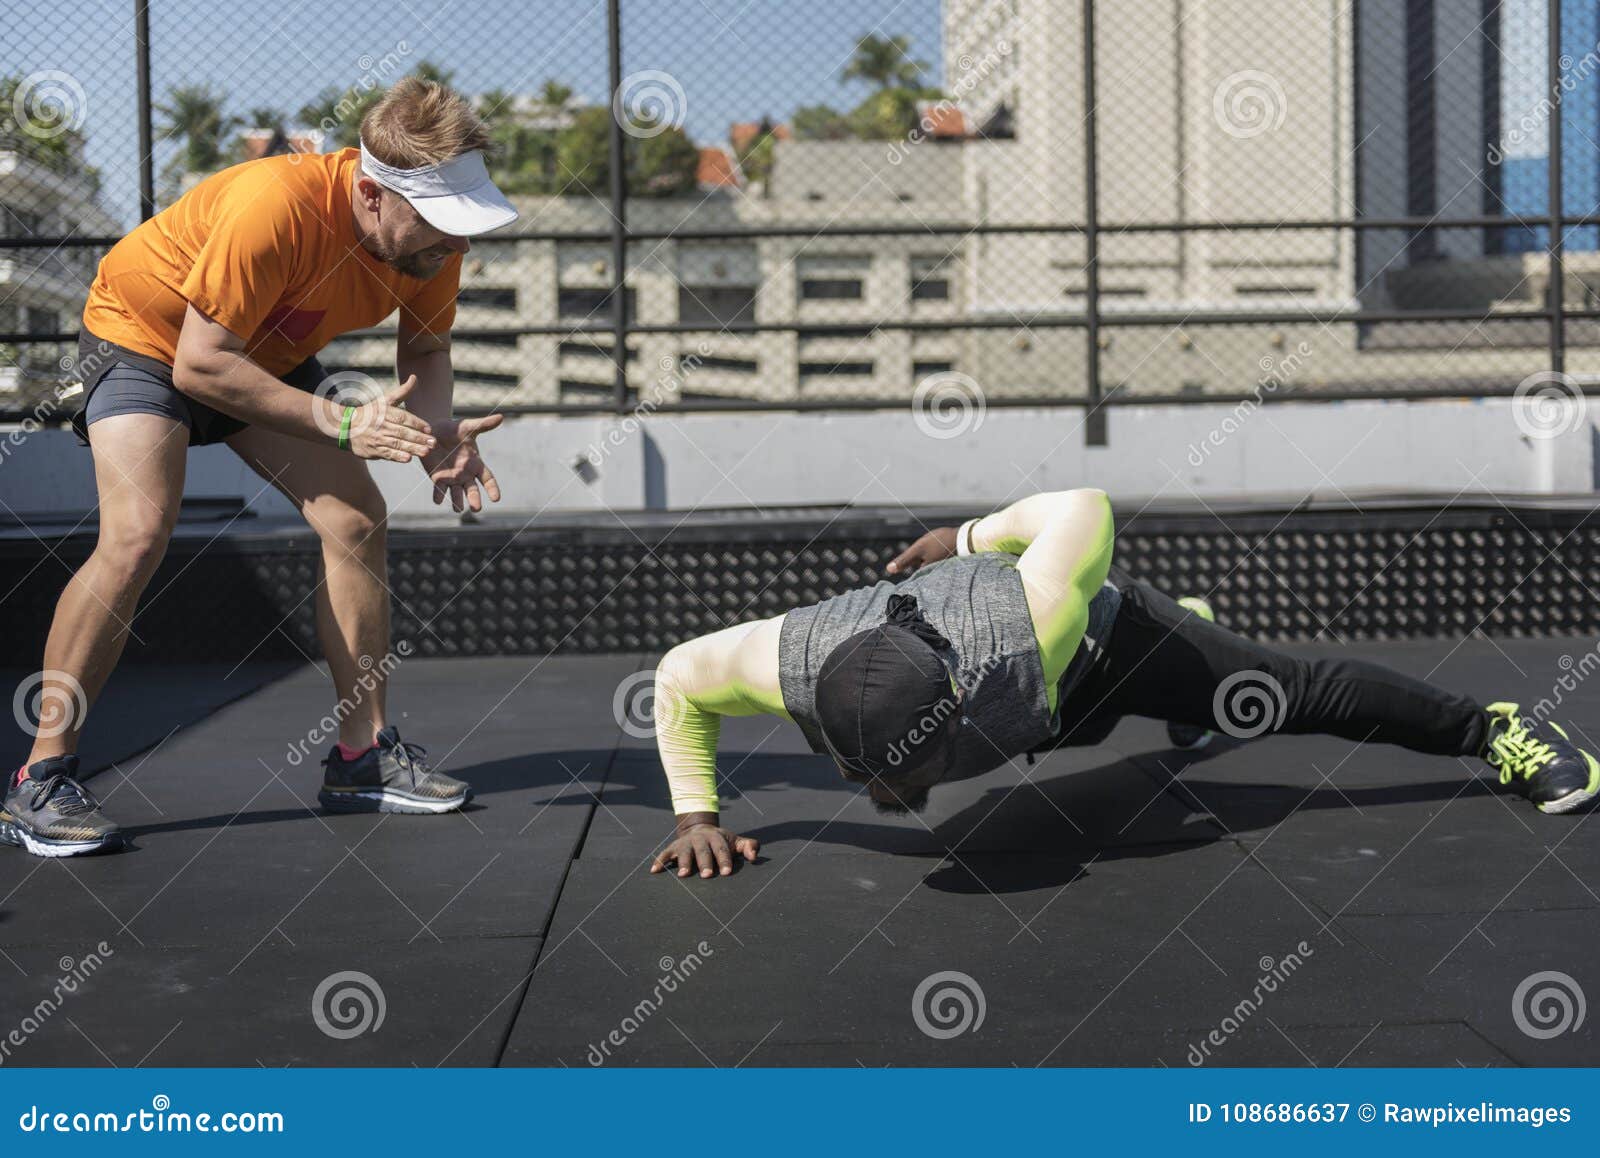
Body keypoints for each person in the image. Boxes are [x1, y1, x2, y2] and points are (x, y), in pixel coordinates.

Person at [2, 78, 514, 858]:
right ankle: (40, 779)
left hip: (260, 354)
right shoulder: (273, 206)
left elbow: (426, 347)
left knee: (355, 517)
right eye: (441, 224)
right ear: (372, 195)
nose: (457, 244)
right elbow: (200, 366)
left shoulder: (429, 244)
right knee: (138, 532)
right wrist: (341, 422)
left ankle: (361, 757)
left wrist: (435, 426)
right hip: (147, 337)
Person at [646, 488, 1599, 880]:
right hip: (1033, 701)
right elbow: (677, 680)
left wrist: (968, 539)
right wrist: (698, 818)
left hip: (1104, 643)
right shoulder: (788, 660)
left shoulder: (1039, 616)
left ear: (954, 721)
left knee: (1282, 696)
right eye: (861, 775)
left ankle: (1495, 732)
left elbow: (1083, 506)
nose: (871, 795)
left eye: (892, 775)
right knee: (1072, 734)